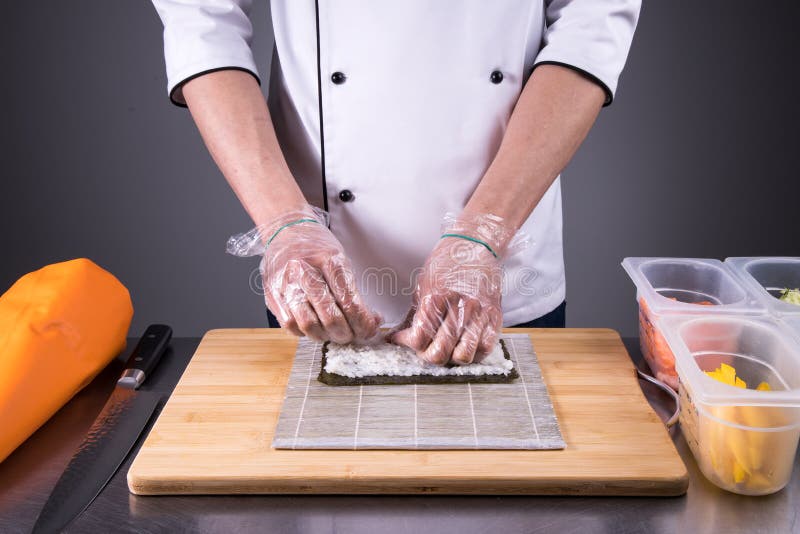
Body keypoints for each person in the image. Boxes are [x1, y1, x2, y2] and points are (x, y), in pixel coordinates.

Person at [152, 1, 640, 365]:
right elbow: (203, 23)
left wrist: (482, 237)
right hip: (321, 283)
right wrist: (284, 225)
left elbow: (590, 24)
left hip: (504, 265)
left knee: (508, 488)